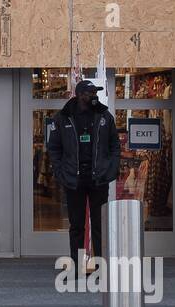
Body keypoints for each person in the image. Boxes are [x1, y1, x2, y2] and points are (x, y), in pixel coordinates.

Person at [47, 80, 121, 272]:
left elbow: (115, 145)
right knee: (76, 225)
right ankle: (77, 265)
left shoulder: (104, 116)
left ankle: (100, 266)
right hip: (74, 179)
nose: (94, 96)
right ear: (80, 95)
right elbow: (53, 147)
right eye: (90, 93)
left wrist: (111, 169)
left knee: (99, 224)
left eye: (95, 93)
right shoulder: (62, 118)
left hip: (99, 178)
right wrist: (60, 171)